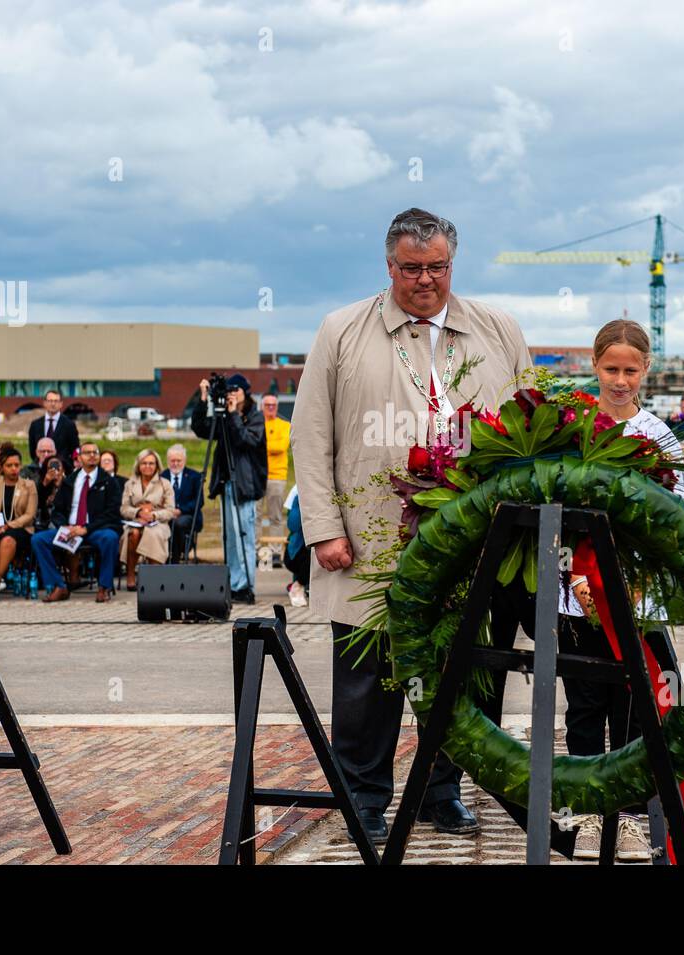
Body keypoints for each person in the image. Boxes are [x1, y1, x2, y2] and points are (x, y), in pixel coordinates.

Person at [290, 207, 532, 842]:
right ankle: (364, 799)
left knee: (463, 669)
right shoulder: (340, 330)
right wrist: (323, 528)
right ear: (388, 266)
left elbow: (530, 428)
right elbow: (310, 437)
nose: (425, 280)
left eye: (438, 267)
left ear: (453, 263)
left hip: (474, 539)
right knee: (368, 678)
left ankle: (440, 790)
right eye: (412, 268)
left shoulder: (498, 328)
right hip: (370, 538)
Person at [555, 319, 680, 862]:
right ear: (594, 364)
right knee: (582, 706)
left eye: (631, 370)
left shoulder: (660, 436)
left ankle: (629, 816)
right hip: (576, 595)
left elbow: (676, 516)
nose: (621, 380)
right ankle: (585, 813)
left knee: (634, 709)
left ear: (647, 369)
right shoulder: (573, 426)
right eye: (612, 369)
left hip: (639, 599)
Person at [192, 374, 266, 605]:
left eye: (237, 390)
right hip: (226, 480)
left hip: (245, 483)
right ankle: (234, 583)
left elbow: (247, 441)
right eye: (229, 391)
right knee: (230, 538)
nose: (232, 394)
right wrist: (204, 400)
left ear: (246, 392)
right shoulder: (223, 415)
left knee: (244, 534)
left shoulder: (255, 416)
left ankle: (246, 585)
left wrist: (233, 414)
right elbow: (203, 430)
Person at [31, 441, 122, 603]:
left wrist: (86, 528)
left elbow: (111, 513)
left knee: (110, 538)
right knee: (38, 539)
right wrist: (64, 526)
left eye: (95, 452)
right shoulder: (70, 480)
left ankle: (104, 587)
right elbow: (57, 510)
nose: (92, 455)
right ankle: (59, 586)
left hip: (95, 530)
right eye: (88, 452)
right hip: (70, 529)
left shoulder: (108, 481)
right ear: (79, 458)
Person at [0, 445, 37, 602]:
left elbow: (30, 515)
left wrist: (8, 525)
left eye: (17, 465)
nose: (14, 469)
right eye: (9, 465)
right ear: (2, 467)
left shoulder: (29, 485)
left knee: (8, 540)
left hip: (20, 528)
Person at [119, 448, 175, 588]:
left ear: (157, 465)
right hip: (136, 521)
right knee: (133, 534)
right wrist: (138, 512)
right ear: (138, 465)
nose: (148, 466)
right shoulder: (130, 484)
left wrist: (153, 515)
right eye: (144, 463)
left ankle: (154, 576)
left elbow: (170, 511)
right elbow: (124, 509)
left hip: (158, 523)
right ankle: (131, 574)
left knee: (152, 534)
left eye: (151, 463)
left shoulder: (165, 484)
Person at [164, 444, 202, 563]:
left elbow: (199, 501)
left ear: (184, 461)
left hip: (188, 515)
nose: (175, 464)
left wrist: (180, 510)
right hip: (167, 514)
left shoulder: (195, 476)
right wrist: (169, 511)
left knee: (178, 523)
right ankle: (167, 557)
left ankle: (179, 553)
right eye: (172, 460)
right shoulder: (162, 476)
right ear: (167, 461)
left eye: (178, 461)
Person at [261, 393, 291, 539]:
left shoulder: (285, 426)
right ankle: (254, 551)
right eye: (267, 405)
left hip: (277, 477)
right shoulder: (257, 424)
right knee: (254, 516)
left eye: (273, 405)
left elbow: (281, 447)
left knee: (276, 516)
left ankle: (275, 552)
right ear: (262, 407)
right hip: (258, 477)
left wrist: (261, 444)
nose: (271, 407)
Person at [28, 390, 80, 467]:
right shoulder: (35, 424)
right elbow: (32, 450)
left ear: (61, 404)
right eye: (50, 401)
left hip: (62, 469)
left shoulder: (69, 425)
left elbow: (74, 449)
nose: (53, 404)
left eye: (56, 401)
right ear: (44, 403)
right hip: (39, 469)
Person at [283, 485, 309, 607]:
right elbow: (292, 525)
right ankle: (297, 585)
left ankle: (300, 585)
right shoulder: (298, 493)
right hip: (295, 554)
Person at [35, 455, 67, 530]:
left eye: (57, 466)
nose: (54, 470)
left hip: (63, 524)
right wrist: (45, 484)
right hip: (44, 523)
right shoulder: (41, 484)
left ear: (63, 470)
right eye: (50, 467)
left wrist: (59, 485)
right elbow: (36, 504)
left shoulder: (69, 484)